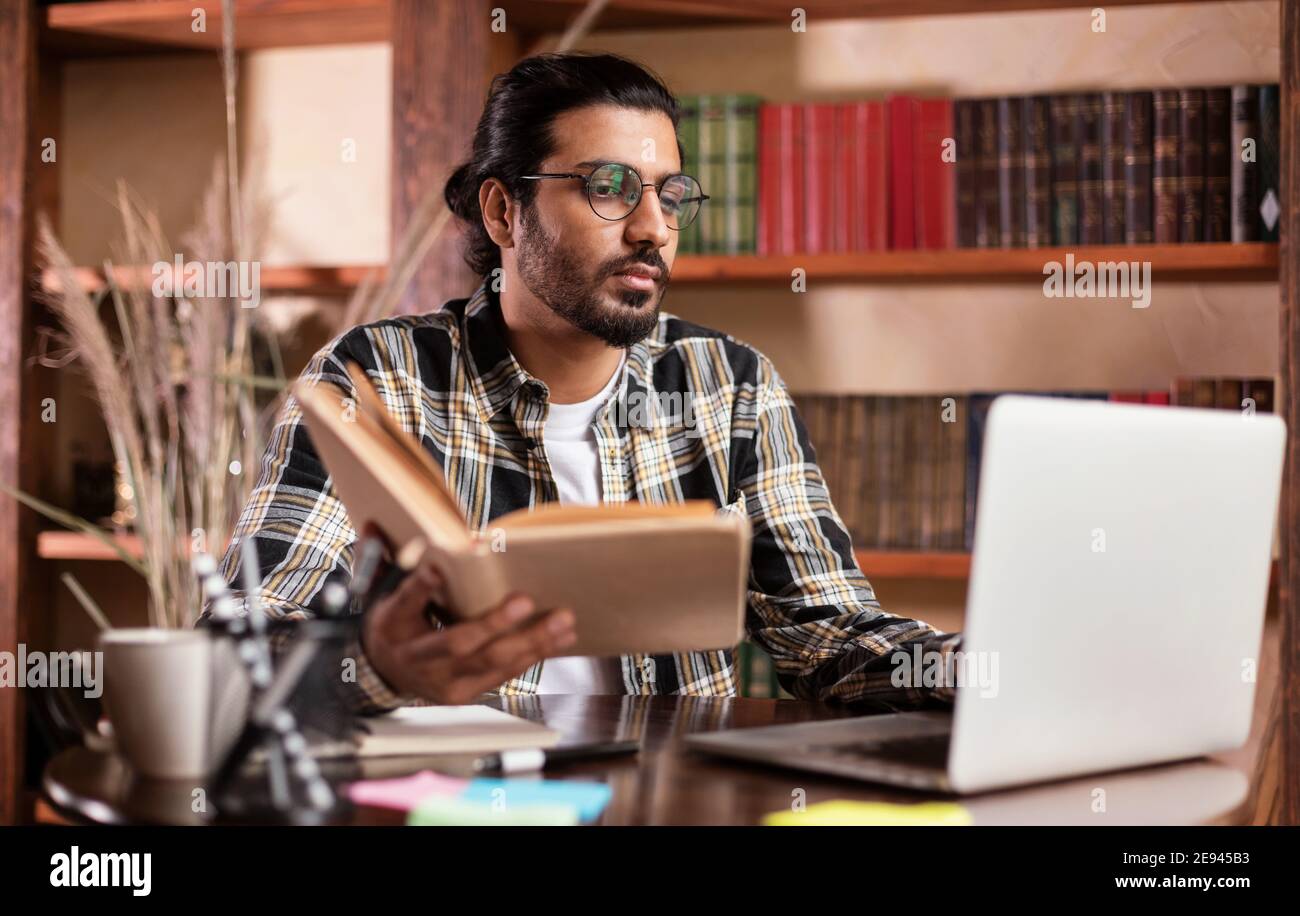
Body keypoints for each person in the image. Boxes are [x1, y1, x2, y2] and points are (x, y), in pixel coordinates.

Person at [212, 51, 962, 714]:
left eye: (669, 194)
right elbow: (240, 642)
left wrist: (970, 666)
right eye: (610, 187)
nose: (653, 228)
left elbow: (826, 635)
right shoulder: (377, 380)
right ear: (505, 210)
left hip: (673, 802)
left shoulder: (730, 384)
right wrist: (375, 667)